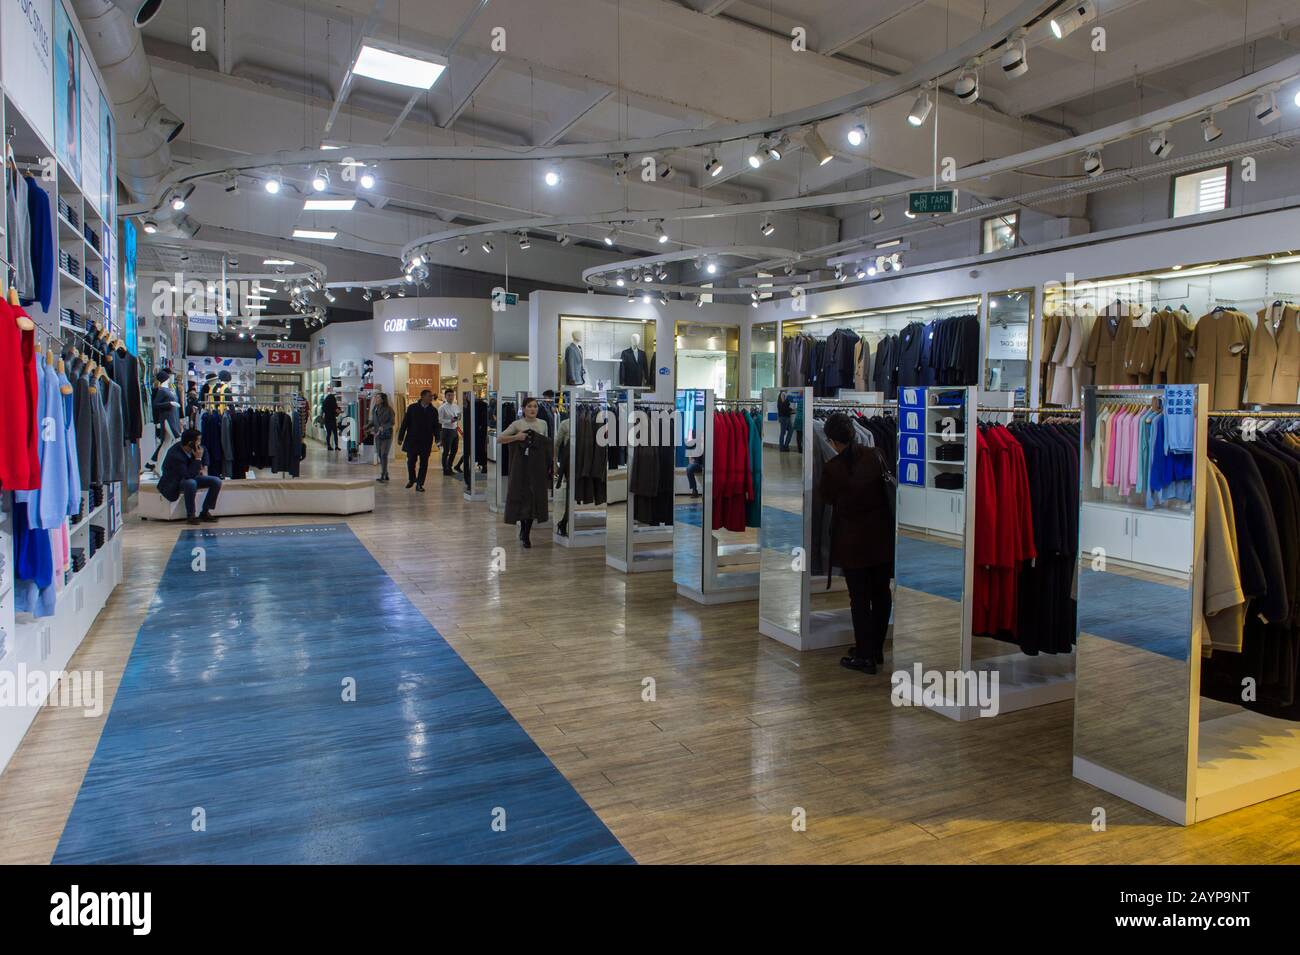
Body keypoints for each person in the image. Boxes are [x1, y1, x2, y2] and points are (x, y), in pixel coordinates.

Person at [819, 413, 895, 674]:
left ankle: (864, 655)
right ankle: (875, 648)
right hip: (881, 540)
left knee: (860, 599)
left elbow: (827, 498)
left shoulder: (833, 468)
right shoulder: (877, 455)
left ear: (831, 440)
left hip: (853, 544)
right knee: (882, 594)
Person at [499, 396, 551, 548]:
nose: (533, 409)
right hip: (521, 466)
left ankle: (526, 531)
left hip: (538, 466)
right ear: (523, 408)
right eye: (529, 406)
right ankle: (524, 531)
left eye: (535, 406)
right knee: (522, 496)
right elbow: (500, 438)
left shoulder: (543, 423)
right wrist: (517, 437)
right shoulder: (517, 424)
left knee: (535, 496)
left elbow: (546, 444)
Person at [157, 428, 222, 525]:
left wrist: (205, 468)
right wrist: (198, 459)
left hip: (190, 476)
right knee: (191, 483)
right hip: (175, 481)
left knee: (216, 481)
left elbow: (205, 451)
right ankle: (191, 515)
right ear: (191, 443)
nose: (200, 443)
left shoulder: (194, 449)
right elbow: (187, 475)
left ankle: (205, 512)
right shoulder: (175, 455)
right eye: (198, 440)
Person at [398, 389, 438, 491]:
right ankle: (412, 479)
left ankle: (420, 484)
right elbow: (405, 423)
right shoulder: (412, 408)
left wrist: (438, 439)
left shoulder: (433, 411)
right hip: (413, 440)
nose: (431, 398)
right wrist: (400, 437)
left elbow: (436, 426)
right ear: (423, 397)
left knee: (424, 464)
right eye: (429, 396)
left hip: (426, 441)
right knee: (411, 462)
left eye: (431, 396)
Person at [147, 369, 182, 472]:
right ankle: (170, 466)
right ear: (166, 378)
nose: (172, 377)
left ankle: (158, 467)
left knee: (166, 443)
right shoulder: (162, 390)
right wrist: (169, 404)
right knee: (176, 440)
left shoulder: (170, 389)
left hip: (173, 418)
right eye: (170, 376)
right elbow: (155, 405)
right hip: (167, 419)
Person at [368, 392, 396, 482]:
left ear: (383, 399)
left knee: (384, 454)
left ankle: (383, 474)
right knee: (380, 454)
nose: (375, 399)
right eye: (375, 397)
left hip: (387, 434)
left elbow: (392, 422)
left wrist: (383, 427)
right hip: (377, 435)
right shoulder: (375, 409)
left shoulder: (389, 410)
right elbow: (374, 421)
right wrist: (368, 426)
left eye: (378, 398)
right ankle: (385, 472)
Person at [438, 387, 461, 476]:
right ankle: (445, 469)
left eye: (452, 395)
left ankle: (449, 466)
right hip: (446, 431)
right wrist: (450, 421)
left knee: (454, 450)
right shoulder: (442, 408)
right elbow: (440, 420)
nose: (451, 397)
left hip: (455, 430)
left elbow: (459, 416)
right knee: (446, 451)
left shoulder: (456, 406)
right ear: (445, 396)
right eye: (449, 395)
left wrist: (458, 417)